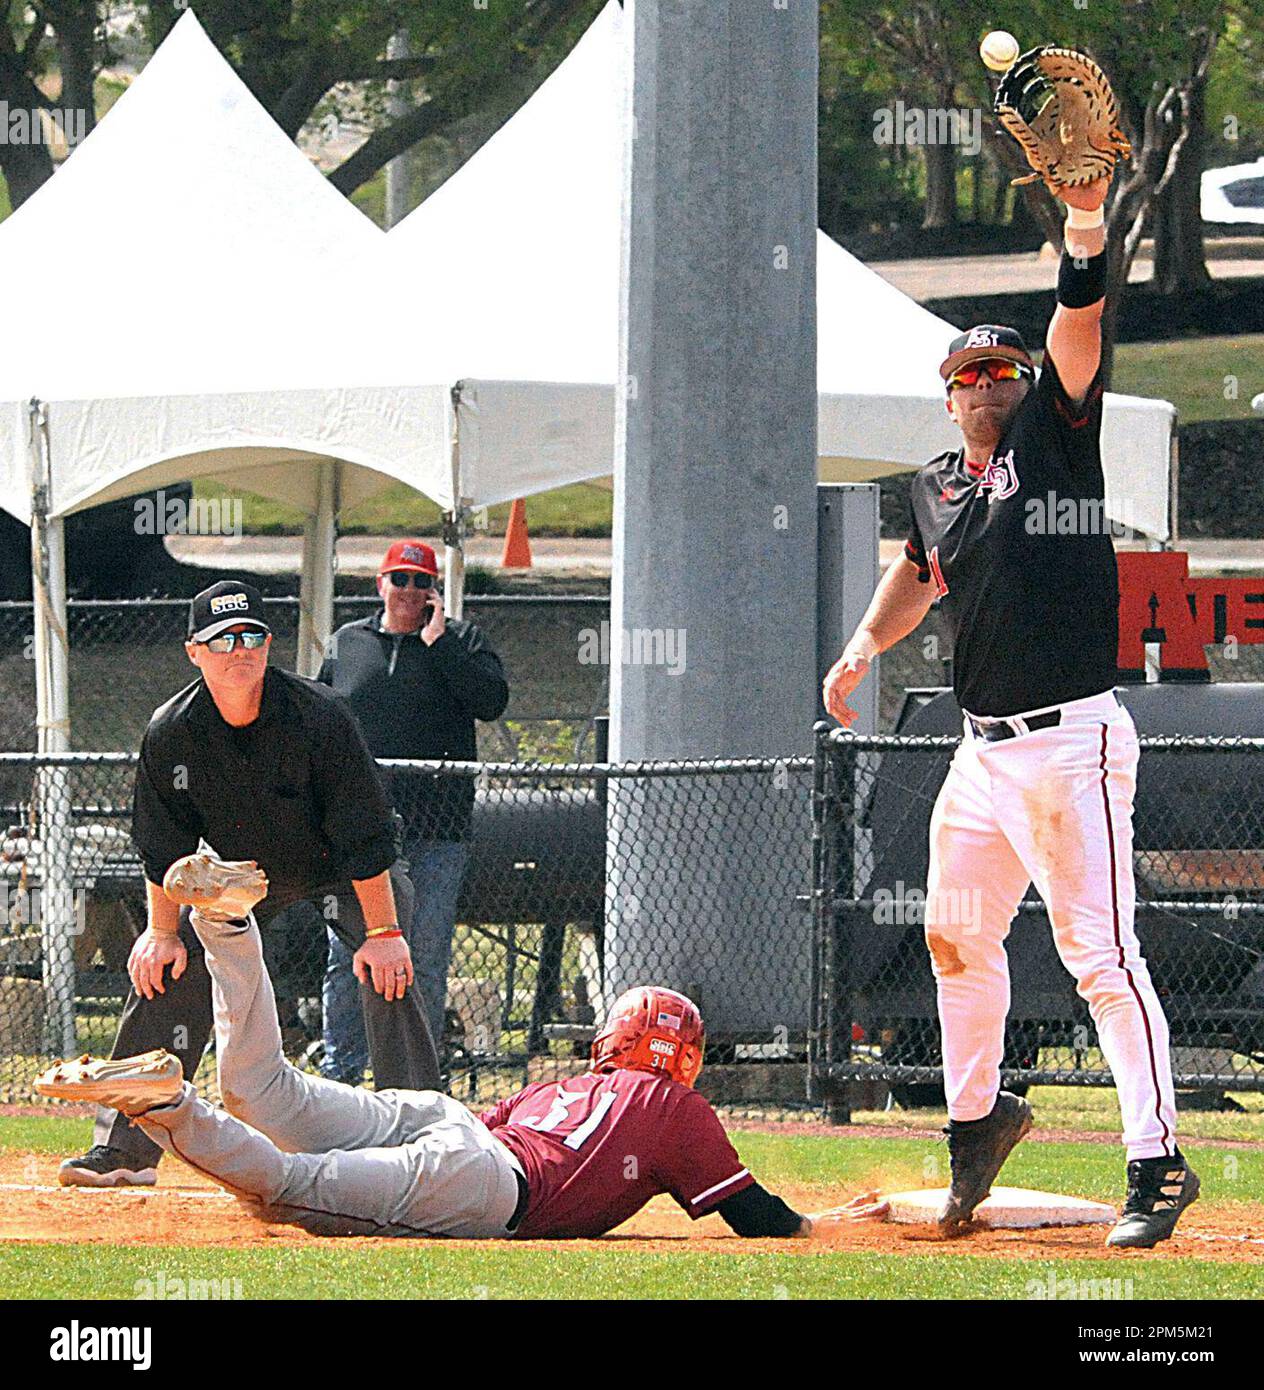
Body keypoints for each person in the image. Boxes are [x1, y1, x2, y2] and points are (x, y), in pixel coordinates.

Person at [822, 175, 1198, 1250]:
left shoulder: (1056, 438)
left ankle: (1156, 1165)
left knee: (1101, 959)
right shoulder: (935, 484)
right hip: (980, 754)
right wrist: (861, 644)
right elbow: (917, 572)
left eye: (999, 368)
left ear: (1024, 385)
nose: (983, 379)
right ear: (945, 398)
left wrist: (1082, 224)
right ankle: (979, 1120)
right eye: (965, 372)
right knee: (953, 935)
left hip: (1071, 736)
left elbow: (1077, 322)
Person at [36, 889, 852, 1242]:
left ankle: (225, 930)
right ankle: (165, 1104)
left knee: (264, 1089)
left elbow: (484, 1123)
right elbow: (755, 1216)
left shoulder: (567, 1084)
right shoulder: (679, 1111)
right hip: (491, 1186)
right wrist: (826, 1227)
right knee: (286, 1186)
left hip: (455, 1117)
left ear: (614, 1041)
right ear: (682, 1057)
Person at [58, 580, 441, 1189]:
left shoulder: (319, 716)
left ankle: (433, 1138)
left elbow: (365, 836)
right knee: (165, 967)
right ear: (194, 651)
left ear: (268, 645)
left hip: (343, 868)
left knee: (385, 968)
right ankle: (125, 1151)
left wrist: (384, 932)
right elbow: (164, 849)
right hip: (243, 877)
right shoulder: (172, 731)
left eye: (252, 637)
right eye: (222, 639)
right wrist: (161, 933)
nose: (239, 650)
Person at [317, 539, 508, 1079]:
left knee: (422, 957)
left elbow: (491, 703)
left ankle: (414, 1077)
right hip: (360, 830)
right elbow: (319, 713)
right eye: (399, 580)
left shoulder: (461, 641)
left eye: (421, 582)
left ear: (435, 592)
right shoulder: (347, 642)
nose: (408, 592)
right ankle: (342, 1073)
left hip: (436, 829)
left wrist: (440, 643)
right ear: (380, 584)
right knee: (348, 956)